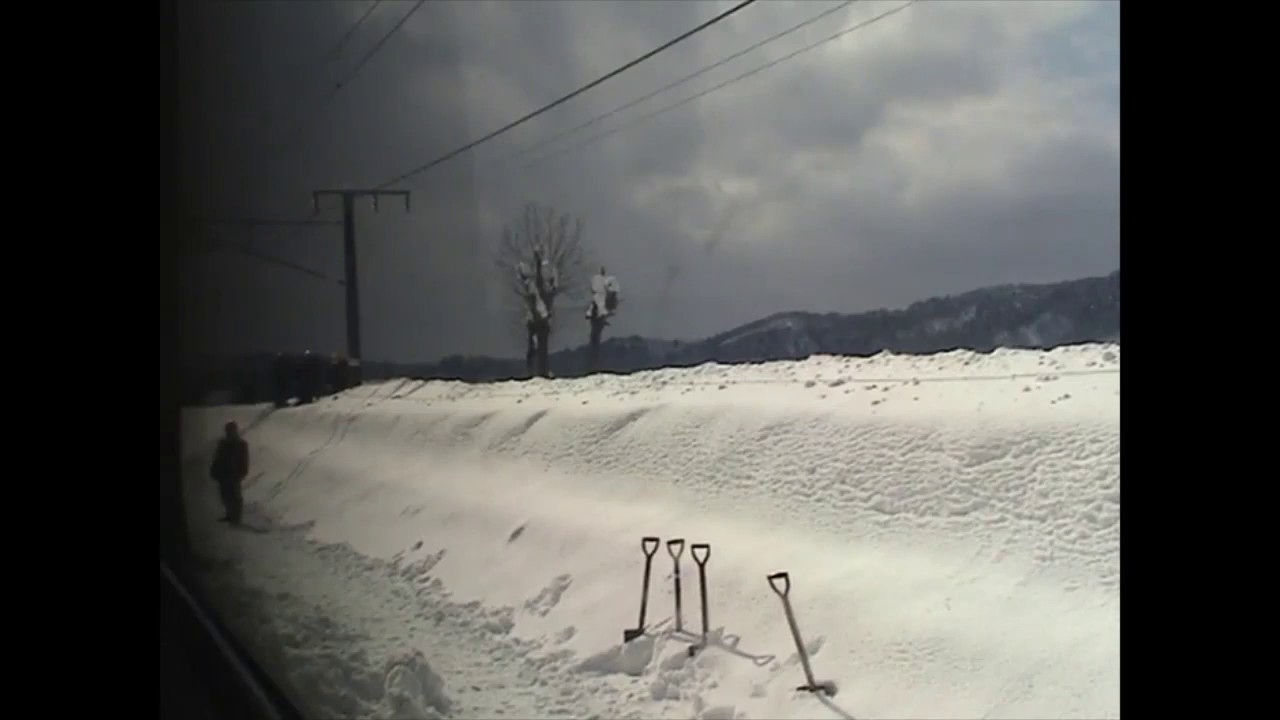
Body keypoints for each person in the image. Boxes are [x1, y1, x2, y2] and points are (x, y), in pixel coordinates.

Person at [209, 421, 249, 525]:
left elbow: (244, 460)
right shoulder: (223, 443)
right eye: (228, 430)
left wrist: (242, 472)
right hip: (223, 474)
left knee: (235, 497)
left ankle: (236, 519)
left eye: (231, 430)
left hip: (234, 475)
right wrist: (214, 470)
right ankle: (229, 515)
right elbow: (217, 458)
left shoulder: (241, 444)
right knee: (225, 496)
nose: (229, 432)